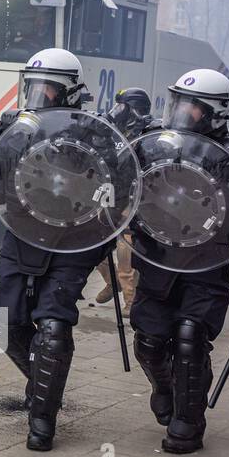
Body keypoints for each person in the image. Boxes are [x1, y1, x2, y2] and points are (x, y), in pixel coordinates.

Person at [0, 48, 112, 451]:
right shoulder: (16, 125)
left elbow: (116, 192)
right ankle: (43, 378)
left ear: (70, 91)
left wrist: (103, 238)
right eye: (34, 87)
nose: (39, 96)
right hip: (24, 232)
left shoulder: (95, 131)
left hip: (72, 239)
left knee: (52, 325)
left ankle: (43, 416)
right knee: (2, 321)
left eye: (48, 89)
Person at [129, 70, 229, 454]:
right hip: (158, 259)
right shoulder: (154, 144)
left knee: (190, 337)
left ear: (215, 113)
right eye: (178, 104)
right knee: (149, 343)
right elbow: (126, 186)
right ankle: (167, 387)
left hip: (207, 262)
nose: (182, 113)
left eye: (193, 108)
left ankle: (189, 422)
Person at [93, 87, 154, 307]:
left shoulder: (148, 131)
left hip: (135, 198)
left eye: (123, 106)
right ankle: (113, 281)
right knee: (88, 238)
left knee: (126, 246)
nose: (118, 110)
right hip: (112, 194)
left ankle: (131, 297)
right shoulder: (113, 129)